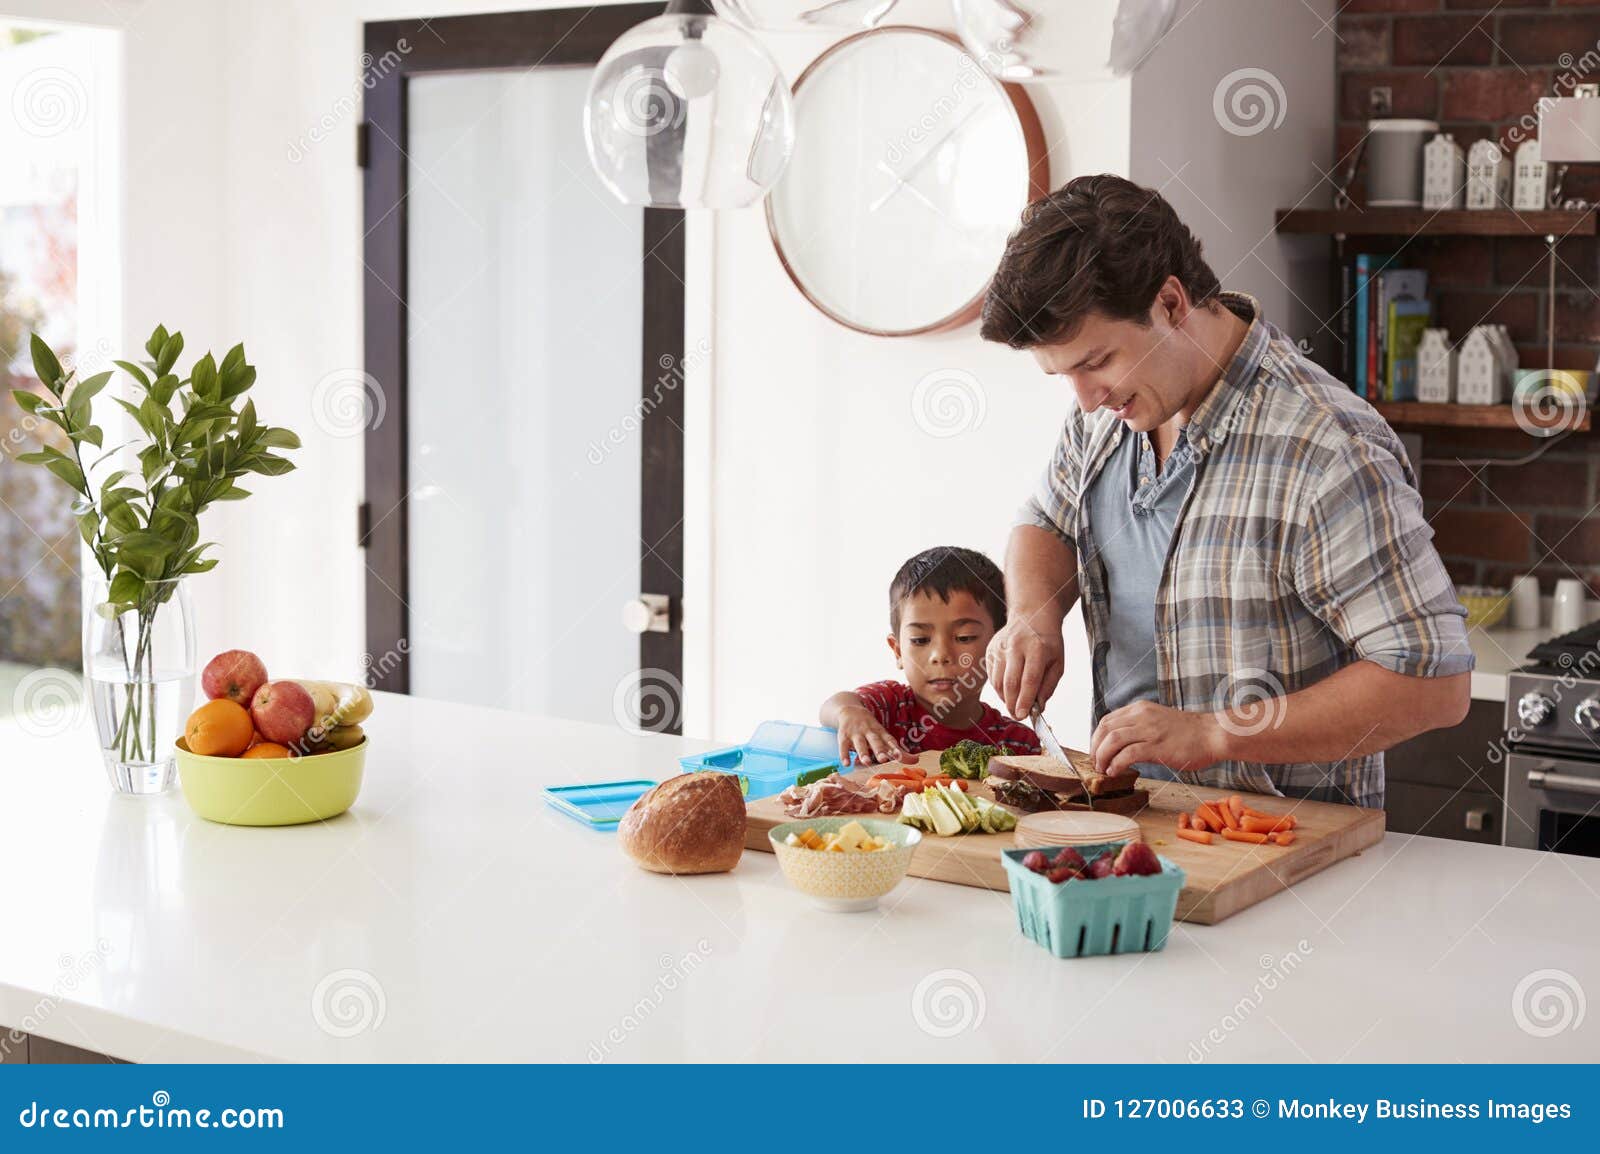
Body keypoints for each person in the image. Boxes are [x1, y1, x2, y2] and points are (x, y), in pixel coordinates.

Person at [979, 175, 1472, 809]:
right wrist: (1034, 616)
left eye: (1096, 361)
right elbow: (1047, 520)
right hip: (1134, 837)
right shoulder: (1107, 413)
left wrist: (1216, 732)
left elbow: (1433, 681)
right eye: (1064, 374)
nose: (1086, 398)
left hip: (1286, 862)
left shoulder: (1325, 449)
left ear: (1171, 302)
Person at [820, 546, 1042, 766]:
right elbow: (833, 706)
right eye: (920, 640)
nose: (940, 655)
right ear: (897, 650)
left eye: (964, 637)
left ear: (1000, 646)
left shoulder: (1018, 744)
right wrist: (849, 712)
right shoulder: (887, 709)